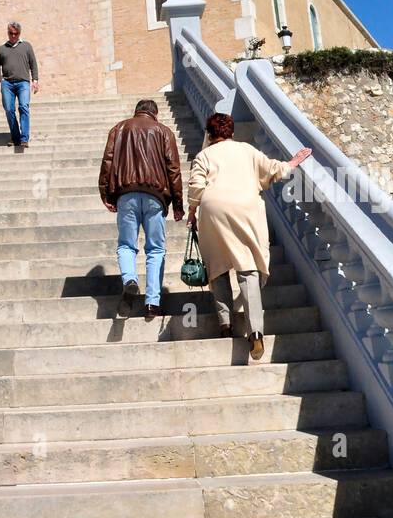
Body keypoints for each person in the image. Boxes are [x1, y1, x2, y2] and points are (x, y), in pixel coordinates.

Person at [187, 112, 311, 360]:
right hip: (245, 207)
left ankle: (225, 325)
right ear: (231, 132)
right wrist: (294, 161)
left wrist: (192, 211)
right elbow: (274, 170)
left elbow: (196, 187)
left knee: (218, 270)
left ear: (209, 135)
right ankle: (255, 332)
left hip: (214, 208)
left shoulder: (204, 155)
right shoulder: (247, 150)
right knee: (248, 268)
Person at [98, 99, 183, 320]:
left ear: (137, 112)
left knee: (126, 244)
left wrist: (105, 194)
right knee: (156, 249)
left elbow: (107, 162)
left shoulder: (119, 128)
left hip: (125, 194)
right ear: (155, 114)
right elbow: (173, 169)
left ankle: (130, 279)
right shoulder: (164, 132)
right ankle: (152, 304)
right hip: (156, 195)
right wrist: (178, 204)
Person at [0, 21, 38, 150]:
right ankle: (15, 137)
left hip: (23, 82)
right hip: (7, 84)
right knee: (9, 110)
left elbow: (33, 64)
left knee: (23, 106)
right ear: (8, 33)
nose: (13, 36)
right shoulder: (2, 49)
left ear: (19, 33)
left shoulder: (27, 46)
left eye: (16, 33)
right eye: (11, 33)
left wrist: (35, 80)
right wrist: (1, 79)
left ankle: (24, 139)